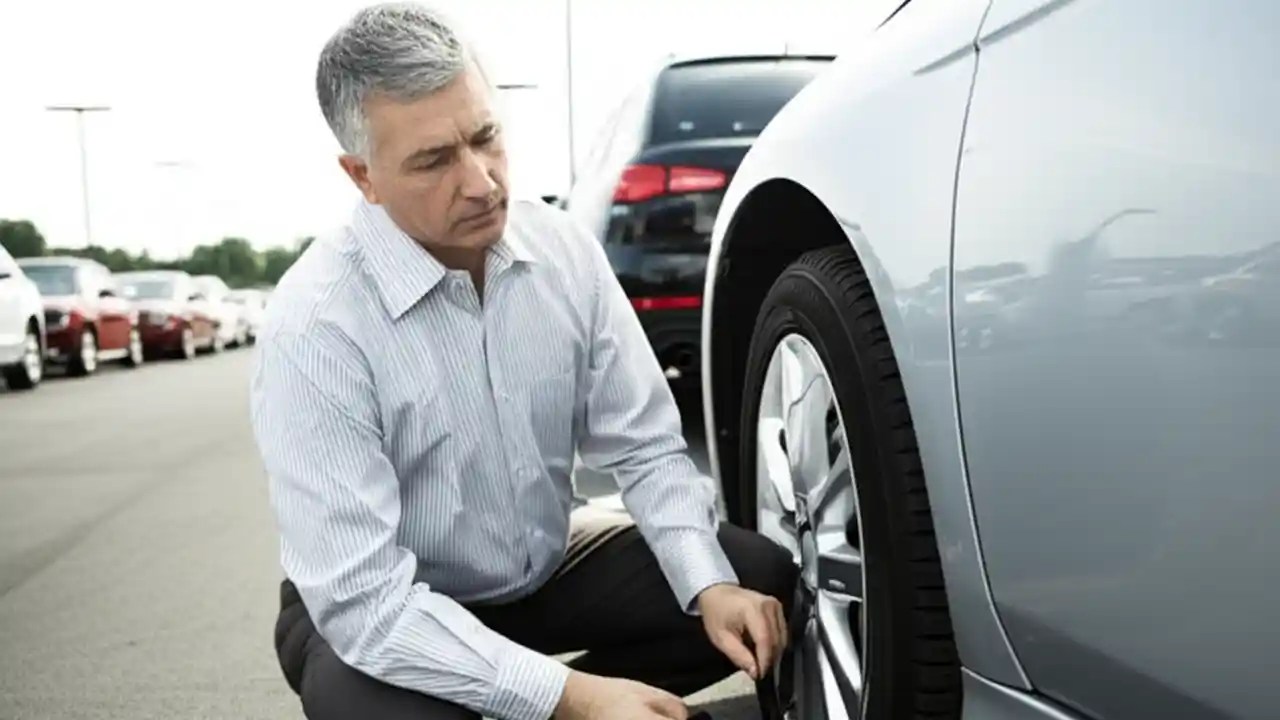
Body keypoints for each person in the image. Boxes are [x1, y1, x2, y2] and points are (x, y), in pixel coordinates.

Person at [249, 3, 798, 719]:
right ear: (363, 176)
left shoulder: (563, 252)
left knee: (753, 579)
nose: (480, 182)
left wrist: (709, 586)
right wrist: (572, 698)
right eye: (434, 160)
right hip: (380, 603)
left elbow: (646, 447)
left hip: (542, 573)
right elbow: (368, 605)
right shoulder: (315, 327)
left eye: (485, 138)